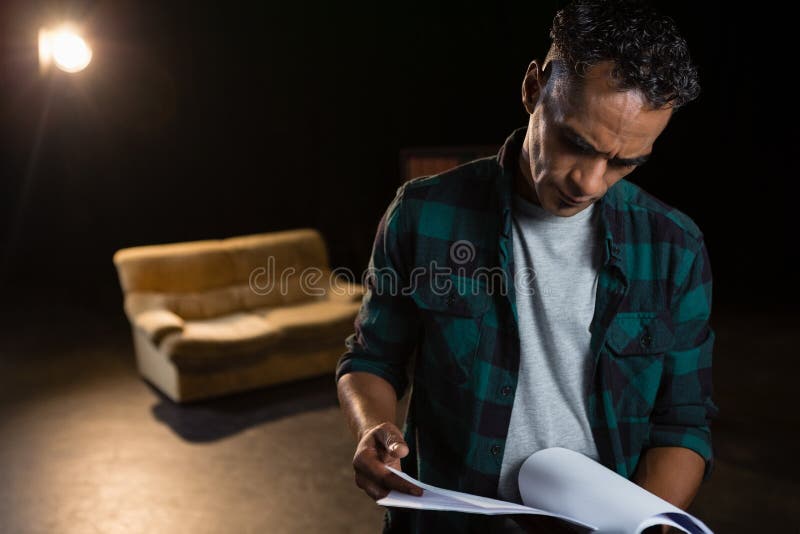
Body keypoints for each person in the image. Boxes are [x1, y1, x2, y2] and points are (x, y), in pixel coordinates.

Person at [336, 1, 718, 532]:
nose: (589, 182)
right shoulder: (424, 214)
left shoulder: (675, 246)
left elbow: (683, 423)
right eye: (575, 143)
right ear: (534, 88)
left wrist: (643, 522)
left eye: (623, 162)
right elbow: (372, 357)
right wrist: (371, 428)